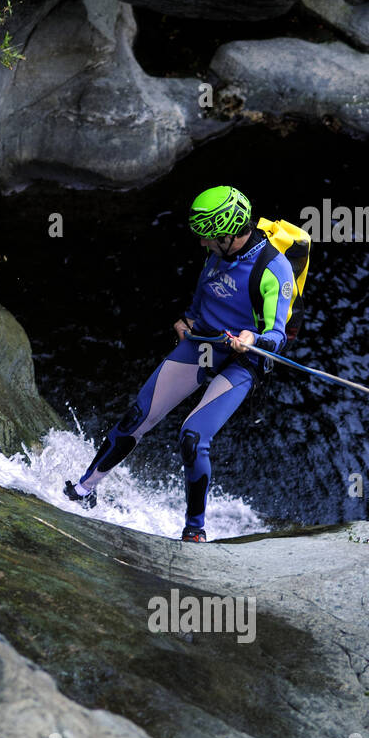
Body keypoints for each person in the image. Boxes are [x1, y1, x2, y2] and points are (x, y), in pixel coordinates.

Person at [63, 186, 296, 542]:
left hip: (243, 361)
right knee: (137, 416)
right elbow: (206, 296)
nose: (202, 245)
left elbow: (276, 336)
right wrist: (186, 322)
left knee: (193, 436)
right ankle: (83, 490)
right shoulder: (218, 252)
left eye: (208, 238)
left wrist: (252, 340)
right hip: (204, 343)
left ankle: (194, 531)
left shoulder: (274, 270)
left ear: (229, 232)